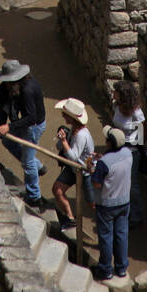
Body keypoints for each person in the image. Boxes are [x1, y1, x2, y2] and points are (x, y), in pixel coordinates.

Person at [0, 59, 46, 213]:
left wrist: (9, 126)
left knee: (27, 163)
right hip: (21, 123)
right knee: (7, 141)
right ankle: (38, 166)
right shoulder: (10, 88)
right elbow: (0, 103)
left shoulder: (27, 91)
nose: (5, 84)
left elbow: (31, 117)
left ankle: (34, 197)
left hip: (33, 127)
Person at [90, 126, 133, 282]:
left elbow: (96, 184)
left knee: (106, 237)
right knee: (122, 234)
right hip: (124, 202)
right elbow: (116, 163)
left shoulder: (103, 163)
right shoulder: (128, 154)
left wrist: (92, 169)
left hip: (107, 205)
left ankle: (105, 270)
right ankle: (121, 268)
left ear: (109, 142)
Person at [52, 98, 94, 232]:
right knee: (57, 190)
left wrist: (64, 141)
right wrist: (62, 141)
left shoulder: (81, 135)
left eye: (65, 114)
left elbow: (73, 157)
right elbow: (62, 147)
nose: (63, 116)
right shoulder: (74, 130)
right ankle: (70, 218)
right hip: (73, 169)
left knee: (92, 203)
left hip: (84, 172)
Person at [112, 80, 145, 228]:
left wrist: (135, 145)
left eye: (116, 92)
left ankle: (136, 215)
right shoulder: (117, 106)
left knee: (132, 184)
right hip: (117, 147)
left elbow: (142, 134)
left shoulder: (136, 113)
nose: (113, 94)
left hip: (131, 151)